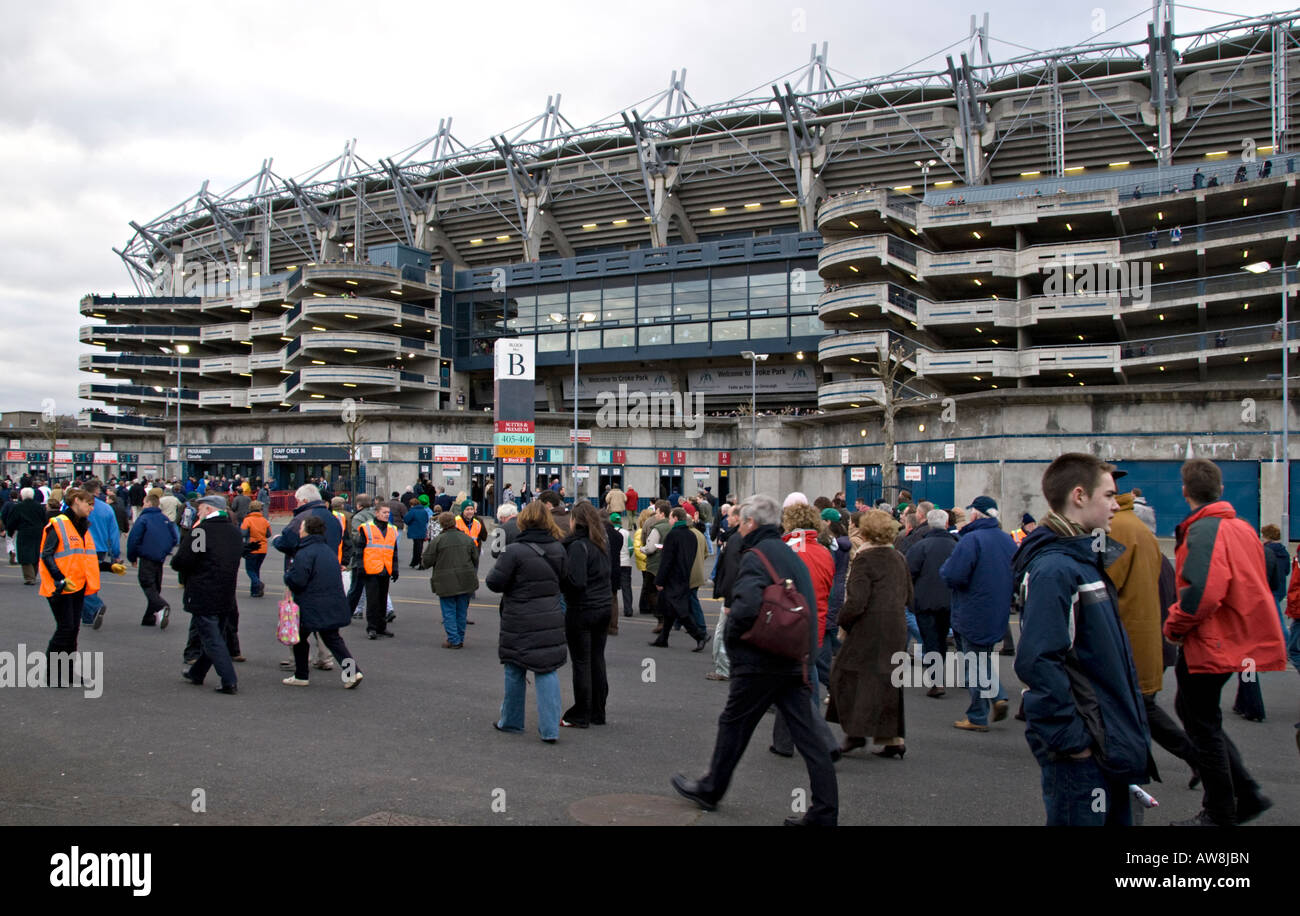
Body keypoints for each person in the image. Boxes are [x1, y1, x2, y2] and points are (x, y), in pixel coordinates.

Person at [671, 494, 839, 826]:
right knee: (808, 738)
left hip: (761, 657)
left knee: (734, 723)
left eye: (743, 520)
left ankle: (711, 787)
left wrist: (735, 646)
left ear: (751, 523)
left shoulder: (756, 556)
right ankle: (824, 811)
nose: (740, 525)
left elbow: (745, 607)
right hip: (792, 654)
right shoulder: (790, 555)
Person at [1014, 453, 1151, 825]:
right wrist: (1074, 743)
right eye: (1108, 495)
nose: (1115, 504)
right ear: (1079, 496)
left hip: (1104, 742)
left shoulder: (1081, 559)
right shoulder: (1056, 568)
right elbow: (1039, 661)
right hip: (1084, 754)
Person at [1164, 458, 1286, 825]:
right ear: (1220, 489)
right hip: (1234, 637)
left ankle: (1222, 809)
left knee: (1200, 722)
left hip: (1210, 640)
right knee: (1200, 717)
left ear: (1185, 491)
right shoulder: (1242, 528)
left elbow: (1201, 592)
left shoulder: (1205, 530)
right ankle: (1244, 794)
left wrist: (1175, 625)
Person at [1106, 489, 1199, 784]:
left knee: (1140, 709)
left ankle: (1195, 758)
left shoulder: (1126, 539)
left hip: (1140, 645)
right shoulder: (1155, 554)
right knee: (1141, 710)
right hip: (1153, 645)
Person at [829, 508, 912, 757]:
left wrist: (842, 619)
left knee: (847, 675)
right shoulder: (898, 557)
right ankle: (892, 738)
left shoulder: (865, 559)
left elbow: (857, 601)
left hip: (869, 628)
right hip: (895, 627)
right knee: (888, 682)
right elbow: (910, 595)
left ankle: (855, 733)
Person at [485, 499, 568, 743]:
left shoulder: (514, 552)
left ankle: (511, 721)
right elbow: (565, 580)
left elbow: (494, 583)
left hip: (519, 615)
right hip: (550, 614)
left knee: (514, 668)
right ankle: (550, 729)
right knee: (547, 670)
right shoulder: (558, 548)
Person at [940, 496, 1016, 731]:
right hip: (997, 609)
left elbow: (953, 574)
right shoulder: (1007, 540)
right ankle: (996, 697)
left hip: (971, 608)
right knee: (982, 658)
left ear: (976, 514)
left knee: (974, 661)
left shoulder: (971, 539)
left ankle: (978, 714)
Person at [771, 502, 839, 759]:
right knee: (797, 680)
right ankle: (784, 741)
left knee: (795, 683)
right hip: (815, 624)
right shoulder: (824, 552)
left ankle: (819, 739)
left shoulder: (789, 549)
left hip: (790, 624)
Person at [281, 514, 363, 688]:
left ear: (307, 530)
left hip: (310, 603)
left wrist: (288, 576)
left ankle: (301, 675)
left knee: (299, 639)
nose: (299, 530)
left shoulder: (305, 552)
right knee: (333, 639)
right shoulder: (327, 550)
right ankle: (352, 672)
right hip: (330, 600)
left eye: (301, 527)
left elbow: (298, 580)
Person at [173, 495, 243, 695]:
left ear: (209, 509)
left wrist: (178, 564)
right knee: (215, 634)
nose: (198, 512)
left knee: (212, 637)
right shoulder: (233, 532)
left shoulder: (201, 532)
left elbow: (185, 560)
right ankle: (197, 672)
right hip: (226, 590)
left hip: (204, 590)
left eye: (201, 509)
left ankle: (229, 679)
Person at [559, 501, 612, 727]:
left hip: (582, 608)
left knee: (581, 662)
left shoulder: (577, 546)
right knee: (597, 659)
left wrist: (561, 581)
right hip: (602, 606)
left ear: (575, 520)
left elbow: (576, 581)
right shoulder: (600, 543)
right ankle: (598, 711)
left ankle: (581, 712)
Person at [39, 488, 99, 687]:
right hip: (61, 586)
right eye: (88, 503)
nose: (91, 508)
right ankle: (51, 673)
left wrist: (107, 566)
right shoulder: (59, 524)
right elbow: (46, 555)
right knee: (65, 628)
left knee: (73, 629)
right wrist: (60, 578)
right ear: (76, 501)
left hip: (77, 585)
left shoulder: (81, 526)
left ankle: (69, 671)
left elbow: (82, 556)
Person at [907, 507, 959, 697]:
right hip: (949, 600)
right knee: (941, 637)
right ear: (946, 524)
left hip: (925, 600)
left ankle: (937, 679)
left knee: (930, 640)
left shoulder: (920, 547)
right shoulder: (957, 545)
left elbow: (909, 572)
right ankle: (940, 675)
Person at [650, 507, 710, 650]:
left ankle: (700, 635)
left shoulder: (673, 535)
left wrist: (659, 580)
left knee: (680, 611)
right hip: (685, 576)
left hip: (672, 578)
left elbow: (667, 560)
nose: (669, 521)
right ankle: (663, 638)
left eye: (670, 518)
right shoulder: (691, 535)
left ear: (676, 518)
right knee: (669, 609)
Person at [421, 511, 479, 649]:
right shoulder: (466, 538)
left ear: (441, 524)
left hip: (445, 580)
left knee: (449, 610)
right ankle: (459, 636)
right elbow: (475, 558)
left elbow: (427, 561)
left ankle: (453, 639)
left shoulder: (438, 540)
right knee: (462, 610)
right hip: (466, 578)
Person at [126, 493, 179, 627]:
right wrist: (164, 551)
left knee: (147, 584)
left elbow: (134, 539)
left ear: (149, 503)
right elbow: (174, 538)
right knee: (155, 586)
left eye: (144, 502)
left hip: (147, 556)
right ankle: (149, 618)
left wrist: (132, 556)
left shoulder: (143, 519)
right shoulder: (164, 519)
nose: (143, 505)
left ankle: (162, 606)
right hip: (159, 558)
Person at [709, 504, 744, 681]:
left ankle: (723, 668)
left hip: (734, 596)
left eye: (730, 516)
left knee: (722, 632)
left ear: (738, 517)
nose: (727, 519)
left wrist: (728, 600)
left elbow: (732, 571)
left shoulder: (737, 540)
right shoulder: (736, 537)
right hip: (739, 594)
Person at [82, 479, 122, 631]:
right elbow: (113, 533)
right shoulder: (106, 509)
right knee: (92, 579)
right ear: (97, 492)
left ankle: (93, 607)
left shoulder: (79, 507)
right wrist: (115, 555)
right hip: (100, 548)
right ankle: (90, 614)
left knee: (81, 581)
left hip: (82, 547)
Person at [356, 504, 399, 639]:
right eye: (384, 512)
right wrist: (361, 566)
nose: (387, 514)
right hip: (371, 569)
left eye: (388, 512)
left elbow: (394, 551)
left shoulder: (392, 529)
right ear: (376, 513)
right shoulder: (367, 528)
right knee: (373, 600)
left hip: (385, 569)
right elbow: (359, 549)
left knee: (382, 599)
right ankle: (372, 628)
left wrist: (395, 569)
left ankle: (381, 627)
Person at [641, 500, 672, 629]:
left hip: (654, 565)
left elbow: (650, 547)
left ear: (662, 513)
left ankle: (660, 617)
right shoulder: (672, 527)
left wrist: (643, 549)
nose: (656, 515)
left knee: (650, 591)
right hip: (668, 564)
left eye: (658, 513)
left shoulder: (656, 528)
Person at [12, 487, 48, 585]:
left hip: (24, 532)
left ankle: (29, 577)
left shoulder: (18, 507)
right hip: (38, 532)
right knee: (36, 553)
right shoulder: (39, 507)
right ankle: (33, 574)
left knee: (25, 554)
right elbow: (45, 520)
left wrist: (10, 531)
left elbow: (13, 520)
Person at [240, 500, 270, 597]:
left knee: (250, 569)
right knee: (256, 569)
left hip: (252, 547)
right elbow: (268, 534)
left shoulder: (247, 520)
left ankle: (257, 583)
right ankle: (255, 591)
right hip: (263, 547)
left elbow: (243, 533)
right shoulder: (264, 520)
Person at [404, 495, 432, 568]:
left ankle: (419, 562)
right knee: (419, 547)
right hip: (422, 530)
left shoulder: (412, 511)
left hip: (415, 531)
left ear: (412, 505)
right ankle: (415, 561)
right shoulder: (424, 511)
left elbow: (406, 520)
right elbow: (426, 520)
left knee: (417, 547)